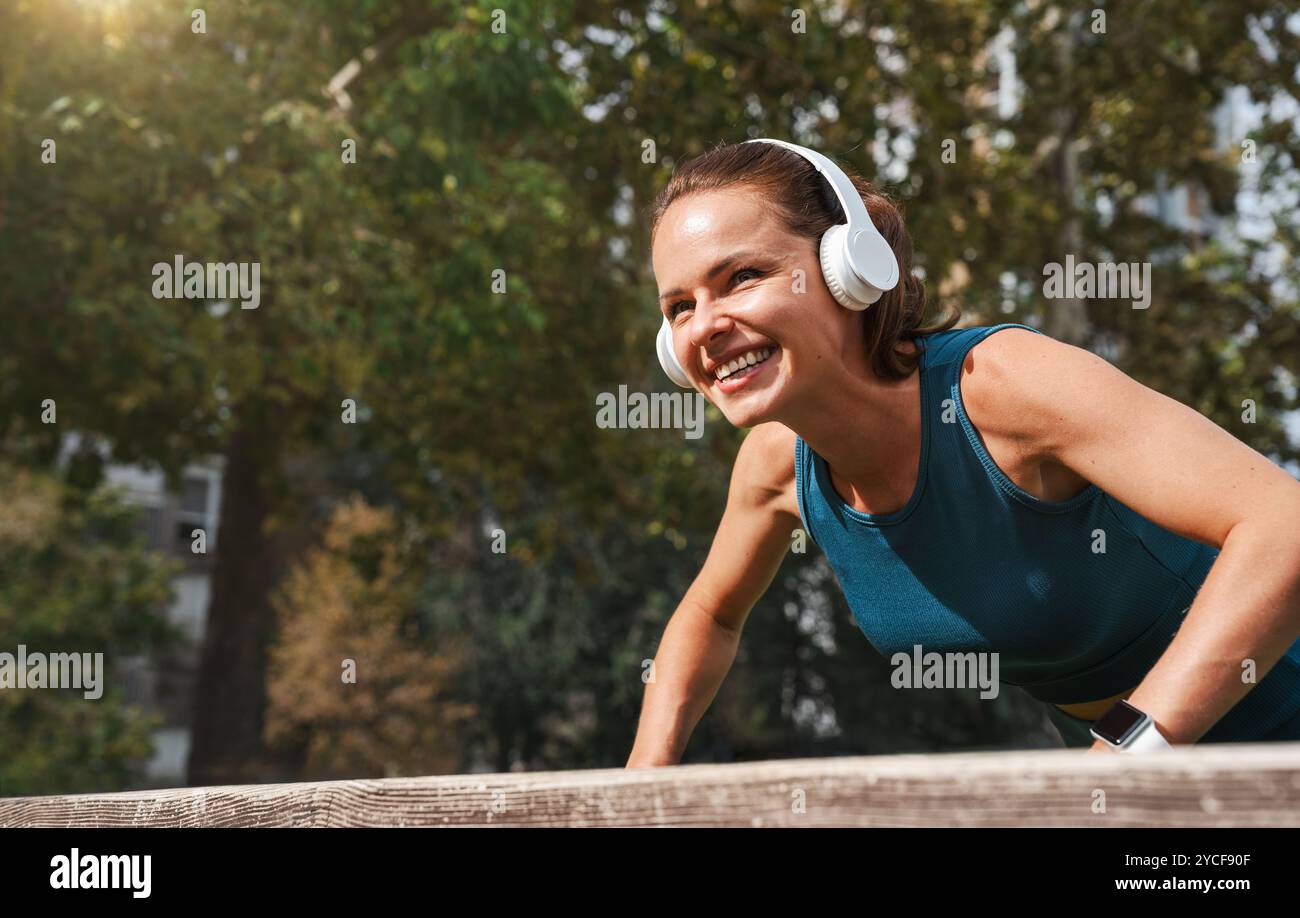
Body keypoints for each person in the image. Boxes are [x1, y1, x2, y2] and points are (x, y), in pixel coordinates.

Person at [625, 138, 1300, 766]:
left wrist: (1128, 752)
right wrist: (638, 786)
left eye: (742, 276)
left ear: (849, 269)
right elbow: (711, 614)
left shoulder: (1002, 387)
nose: (706, 326)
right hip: (1152, 787)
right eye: (680, 306)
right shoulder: (777, 468)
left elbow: (1283, 523)